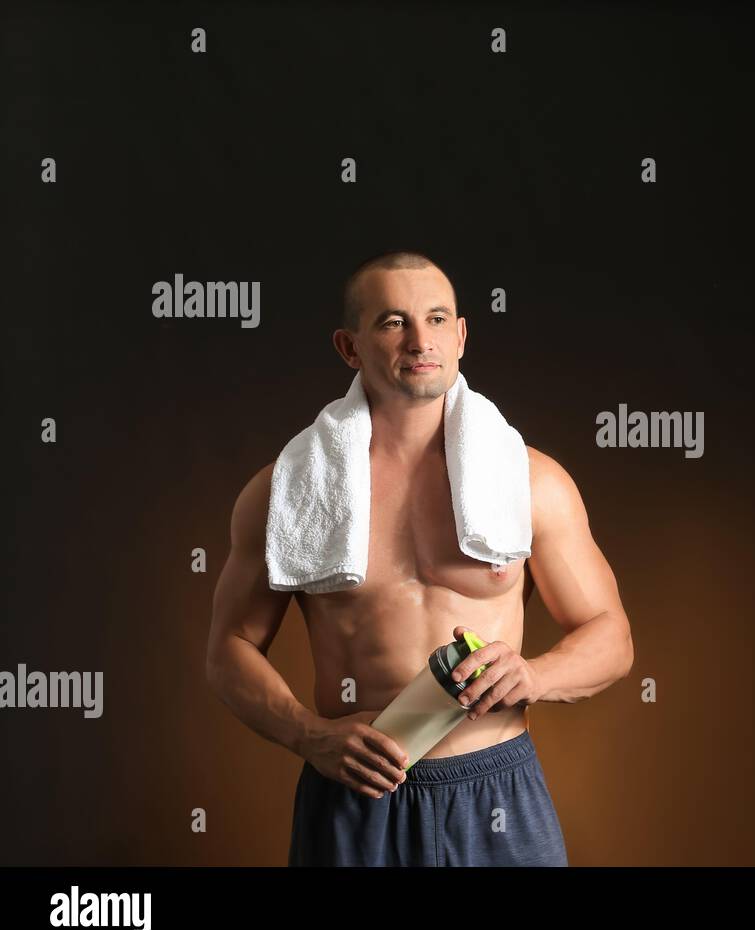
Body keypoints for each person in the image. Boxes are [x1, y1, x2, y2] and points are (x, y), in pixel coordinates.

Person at [205, 251, 634, 865]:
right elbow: (228, 649)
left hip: (495, 791)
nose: (419, 340)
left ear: (460, 335)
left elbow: (611, 635)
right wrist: (309, 735)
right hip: (356, 794)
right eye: (391, 322)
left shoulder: (530, 482)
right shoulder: (286, 493)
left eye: (436, 319)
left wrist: (537, 676)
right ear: (349, 347)